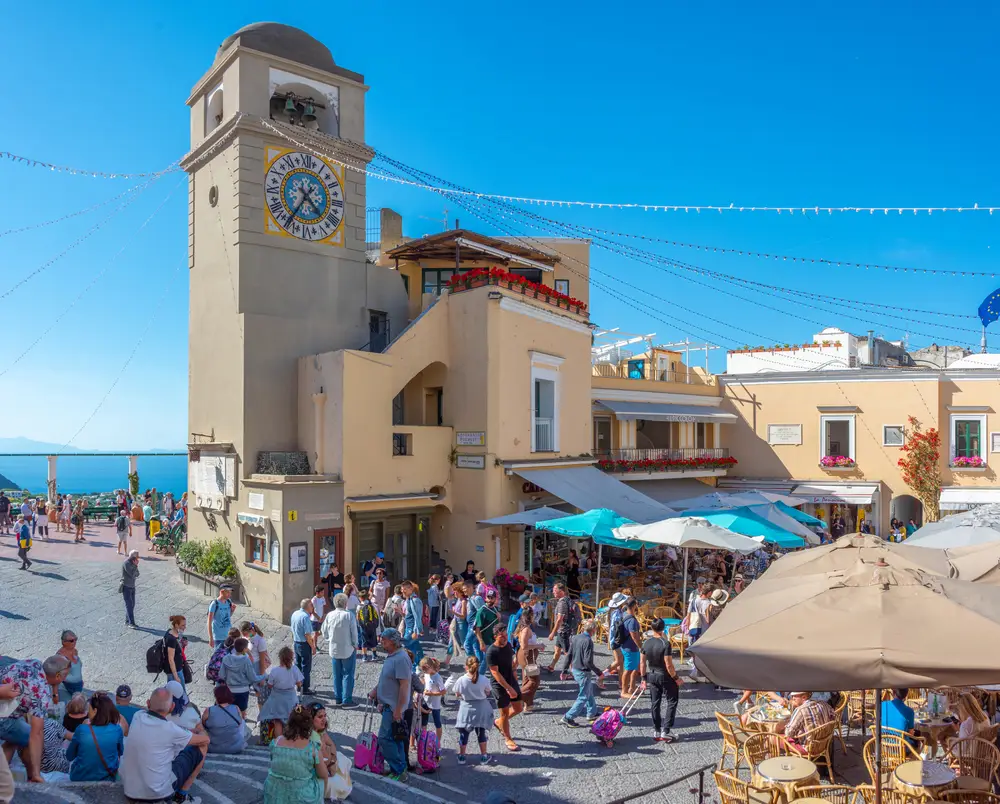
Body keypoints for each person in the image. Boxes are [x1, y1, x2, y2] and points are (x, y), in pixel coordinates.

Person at [122, 686, 208, 804]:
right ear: (172, 707)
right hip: (158, 793)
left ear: (147, 703)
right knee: (201, 747)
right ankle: (181, 797)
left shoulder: (138, 716)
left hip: (130, 791)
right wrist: (201, 731)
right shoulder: (171, 730)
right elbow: (205, 740)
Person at [0, 655, 69, 783]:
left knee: (16, 737)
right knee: (27, 737)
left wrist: (54, 688)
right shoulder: (41, 694)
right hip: (3, 717)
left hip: (5, 706)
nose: (66, 678)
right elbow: (36, 734)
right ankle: (32, 776)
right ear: (58, 676)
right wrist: (37, 772)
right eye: (66, 675)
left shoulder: (35, 663)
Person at [263, 704, 328, 804]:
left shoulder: (275, 742)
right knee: (320, 778)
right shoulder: (312, 748)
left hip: (274, 795)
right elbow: (323, 775)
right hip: (301, 797)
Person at [370, 628, 411, 781]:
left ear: (393, 641)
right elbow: (387, 678)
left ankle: (399, 770)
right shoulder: (393, 656)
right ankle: (399, 768)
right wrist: (376, 690)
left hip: (393, 708)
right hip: (389, 706)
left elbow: (404, 685)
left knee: (384, 739)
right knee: (396, 738)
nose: (382, 642)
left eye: (384, 640)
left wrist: (398, 710)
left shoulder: (400, 658)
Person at [640, 618, 683, 743]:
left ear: (652, 629)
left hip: (652, 675)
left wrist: (643, 678)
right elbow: (668, 664)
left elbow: (642, 663)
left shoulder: (646, 643)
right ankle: (666, 730)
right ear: (663, 628)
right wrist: (676, 678)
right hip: (664, 675)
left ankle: (657, 729)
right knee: (672, 701)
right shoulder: (665, 643)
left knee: (655, 703)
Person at [65, 692, 124, 781]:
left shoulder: (82, 730)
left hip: (80, 778)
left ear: (95, 711)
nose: (88, 712)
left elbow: (69, 756)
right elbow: (120, 752)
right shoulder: (117, 730)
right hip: (107, 778)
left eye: (89, 709)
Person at [561, 619, 604, 728]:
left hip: (575, 669)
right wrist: (599, 672)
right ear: (593, 630)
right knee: (583, 696)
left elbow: (569, 655)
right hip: (583, 671)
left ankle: (592, 713)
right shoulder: (588, 641)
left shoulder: (576, 638)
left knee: (588, 691)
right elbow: (587, 661)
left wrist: (564, 670)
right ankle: (568, 717)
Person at [486, 629, 523, 752]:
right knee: (505, 713)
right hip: (499, 685)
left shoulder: (507, 645)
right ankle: (508, 738)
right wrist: (509, 688)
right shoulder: (491, 652)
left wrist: (514, 674)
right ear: (495, 636)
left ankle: (498, 722)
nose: (505, 638)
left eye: (506, 635)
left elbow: (510, 661)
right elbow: (495, 673)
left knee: (518, 708)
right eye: (502, 636)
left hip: (511, 679)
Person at [453, 656, 493, 766]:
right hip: (481, 708)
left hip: (466, 708)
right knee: (481, 733)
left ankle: (462, 756)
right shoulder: (484, 679)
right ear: (478, 666)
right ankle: (484, 756)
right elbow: (488, 692)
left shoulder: (461, 680)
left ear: (466, 667)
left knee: (464, 733)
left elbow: (457, 694)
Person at [321, 593, 358, 708]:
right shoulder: (349, 615)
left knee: (337, 674)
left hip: (334, 649)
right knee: (348, 674)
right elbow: (354, 632)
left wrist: (329, 639)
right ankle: (346, 699)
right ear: (345, 603)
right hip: (347, 649)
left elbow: (324, 631)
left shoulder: (330, 615)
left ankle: (338, 697)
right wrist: (355, 644)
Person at [308, 703, 352, 801]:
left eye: (324, 716)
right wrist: (331, 761)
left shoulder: (320, 731)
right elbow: (325, 767)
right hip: (316, 778)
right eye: (320, 717)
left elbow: (332, 744)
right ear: (311, 719)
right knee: (341, 782)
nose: (324, 719)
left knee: (341, 758)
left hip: (325, 767)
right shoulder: (314, 738)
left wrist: (332, 759)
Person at [258, 647, 303, 739]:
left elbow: (270, 686)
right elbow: (299, 684)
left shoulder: (275, 671)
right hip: (291, 698)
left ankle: (278, 741)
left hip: (276, 698)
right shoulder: (295, 669)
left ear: (280, 658)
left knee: (277, 720)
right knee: (291, 718)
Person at [220, 638, 265, 716]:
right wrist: (263, 676)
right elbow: (253, 678)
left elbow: (221, 675)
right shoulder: (246, 660)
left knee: (230, 714)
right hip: (242, 691)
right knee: (242, 714)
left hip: (229, 690)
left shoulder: (226, 658)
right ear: (244, 649)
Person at [201, 684, 246, 754]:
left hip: (213, 748)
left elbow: (203, 723)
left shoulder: (209, 710)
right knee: (242, 721)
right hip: (236, 747)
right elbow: (240, 723)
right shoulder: (236, 708)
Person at [546, 583, 577, 675]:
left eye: (555, 590)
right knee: (557, 650)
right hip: (564, 630)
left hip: (563, 631)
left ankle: (573, 672)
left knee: (567, 653)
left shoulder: (562, 603)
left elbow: (559, 620)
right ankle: (551, 666)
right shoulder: (568, 599)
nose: (553, 592)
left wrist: (552, 632)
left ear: (562, 591)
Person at [517, 607, 542, 712]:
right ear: (530, 616)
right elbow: (524, 646)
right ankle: (515, 697)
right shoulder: (526, 629)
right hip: (528, 658)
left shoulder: (523, 627)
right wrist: (538, 645)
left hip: (527, 657)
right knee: (534, 681)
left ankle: (528, 705)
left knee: (526, 679)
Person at [290, 599, 317, 696]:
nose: (313, 607)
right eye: (312, 605)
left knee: (298, 665)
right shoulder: (305, 617)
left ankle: (298, 685)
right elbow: (307, 635)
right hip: (304, 644)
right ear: (308, 606)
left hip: (296, 642)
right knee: (306, 667)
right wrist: (313, 646)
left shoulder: (295, 613)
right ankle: (305, 688)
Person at [419, 657, 445, 751]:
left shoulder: (438, 677)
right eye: (423, 670)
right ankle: (423, 742)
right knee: (424, 723)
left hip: (435, 704)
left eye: (425, 669)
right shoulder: (426, 675)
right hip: (426, 701)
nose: (424, 671)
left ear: (430, 667)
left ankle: (438, 743)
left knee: (437, 723)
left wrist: (431, 693)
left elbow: (443, 691)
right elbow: (424, 683)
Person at [620, 599, 643, 697]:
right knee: (628, 670)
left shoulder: (624, 614)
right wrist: (641, 647)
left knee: (635, 667)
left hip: (626, 646)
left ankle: (632, 687)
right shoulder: (632, 620)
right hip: (631, 648)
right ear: (634, 606)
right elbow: (634, 636)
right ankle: (624, 691)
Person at [401, 580, 425, 664]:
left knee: (406, 644)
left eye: (404, 589)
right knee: (415, 646)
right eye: (402, 589)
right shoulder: (409, 599)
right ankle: (422, 663)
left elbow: (417, 617)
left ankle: (414, 666)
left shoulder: (415, 600)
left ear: (410, 589)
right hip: (409, 627)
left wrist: (416, 631)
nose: (402, 591)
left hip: (411, 629)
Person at [164, 615, 189, 691]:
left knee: (175, 692)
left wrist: (182, 644)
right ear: (176, 625)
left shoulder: (171, 632)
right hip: (175, 671)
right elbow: (171, 659)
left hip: (177, 668)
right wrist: (176, 676)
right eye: (182, 625)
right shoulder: (171, 639)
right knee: (180, 693)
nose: (185, 627)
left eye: (185, 625)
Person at [463, 582, 486, 662]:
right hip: (471, 626)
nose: (463, 591)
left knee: (467, 645)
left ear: (470, 587)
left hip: (474, 627)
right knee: (476, 646)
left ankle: (473, 663)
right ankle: (480, 664)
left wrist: (475, 625)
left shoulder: (476, 598)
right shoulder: (470, 598)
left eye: (465, 589)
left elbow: (482, 612)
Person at [57, 630, 84, 696]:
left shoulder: (75, 651)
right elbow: (57, 674)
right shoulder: (60, 657)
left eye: (76, 639)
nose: (75, 642)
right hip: (70, 686)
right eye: (72, 640)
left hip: (79, 685)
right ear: (63, 642)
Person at [356, 591, 380, 663]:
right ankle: (374, 655)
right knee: (373, 639)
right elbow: (376, 615)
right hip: (372, 626)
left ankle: (365, 656)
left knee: (364, 641)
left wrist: (359, 624)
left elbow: (358, 617)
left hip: (363, 627)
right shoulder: (372, 605)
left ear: (360, 598)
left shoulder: (359, 606)